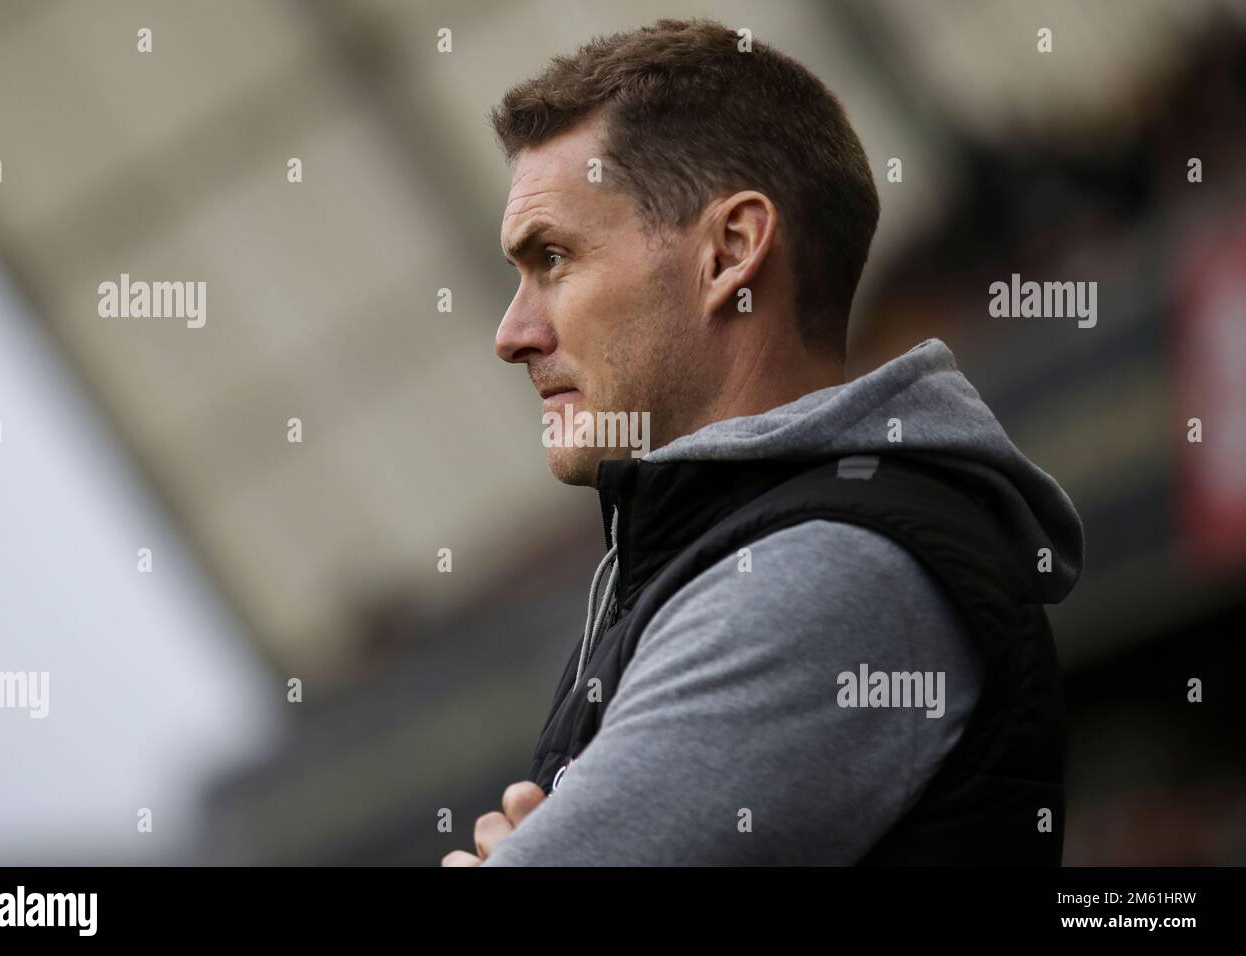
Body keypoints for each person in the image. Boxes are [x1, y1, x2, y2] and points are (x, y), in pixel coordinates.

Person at [442, 17, 1083, 867]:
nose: (512, 333)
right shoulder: (711, 554)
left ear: (731, 251)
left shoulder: (829, 568)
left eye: (553, 258)